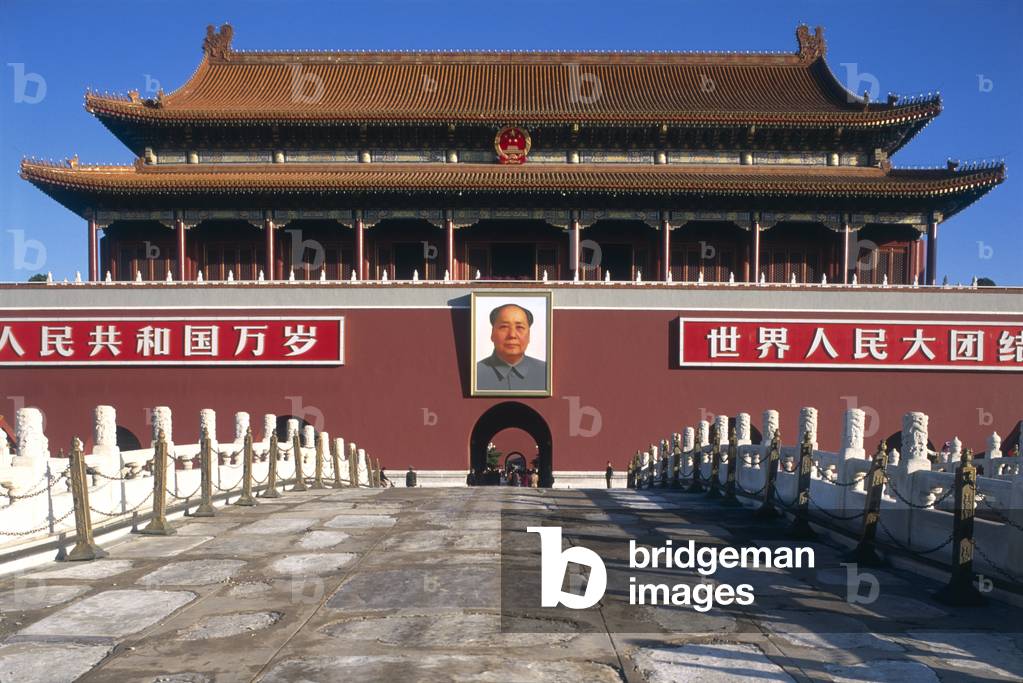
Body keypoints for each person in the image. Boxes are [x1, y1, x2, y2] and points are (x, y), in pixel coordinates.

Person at [476, 303, 546, 391]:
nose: (512, 335)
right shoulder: (475, 373)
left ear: (529, 335)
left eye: (519, 327)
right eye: (504, 327)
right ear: (492, 334)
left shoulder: (546, 372)